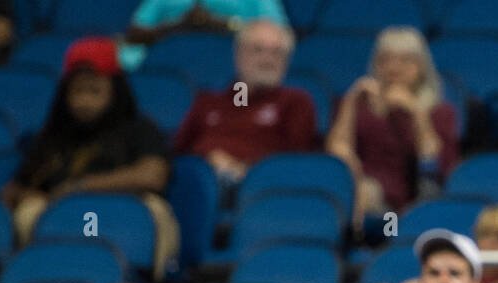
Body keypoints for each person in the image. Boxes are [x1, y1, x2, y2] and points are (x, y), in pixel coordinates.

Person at [2, 38, 176, 276]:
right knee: (29, 210)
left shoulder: (139, 128)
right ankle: (34, 276)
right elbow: (13, 189)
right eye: (77, 91)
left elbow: (153, 176)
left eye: (94, 90)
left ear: (115, 89)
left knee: (156, 209)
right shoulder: (53, 136)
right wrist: (34, 195)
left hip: (123, 214)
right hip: (63, 218)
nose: (85, 101)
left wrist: (81, 187)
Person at [326, 26, 459, 218]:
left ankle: (383, 239)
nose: (393, 68)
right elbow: (337, 155)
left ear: (422, 66)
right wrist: (350, 103)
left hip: (407, 208)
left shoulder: (439, 112)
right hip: (363, 197)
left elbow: (432, 164)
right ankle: (356, 241)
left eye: (405, 60)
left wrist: (415, 111)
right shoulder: (358, 108)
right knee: (356, 192)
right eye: (384, 60)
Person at [170, 20, 317, 183]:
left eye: (277, 52)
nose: (267, 59)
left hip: (258, 188)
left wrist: (239, 168)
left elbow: (294, 164)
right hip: (200, 184)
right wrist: (207, 162)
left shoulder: (296, 101)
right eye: (257, 50)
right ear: (239, 54)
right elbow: (178, 153)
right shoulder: (208, 101)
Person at [121, 0, 289, 71]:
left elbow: (279, 33)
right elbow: (135, 33)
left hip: (237, 80)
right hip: (172, 69)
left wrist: (222, 24)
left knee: (240, 110)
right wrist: (180, 25)